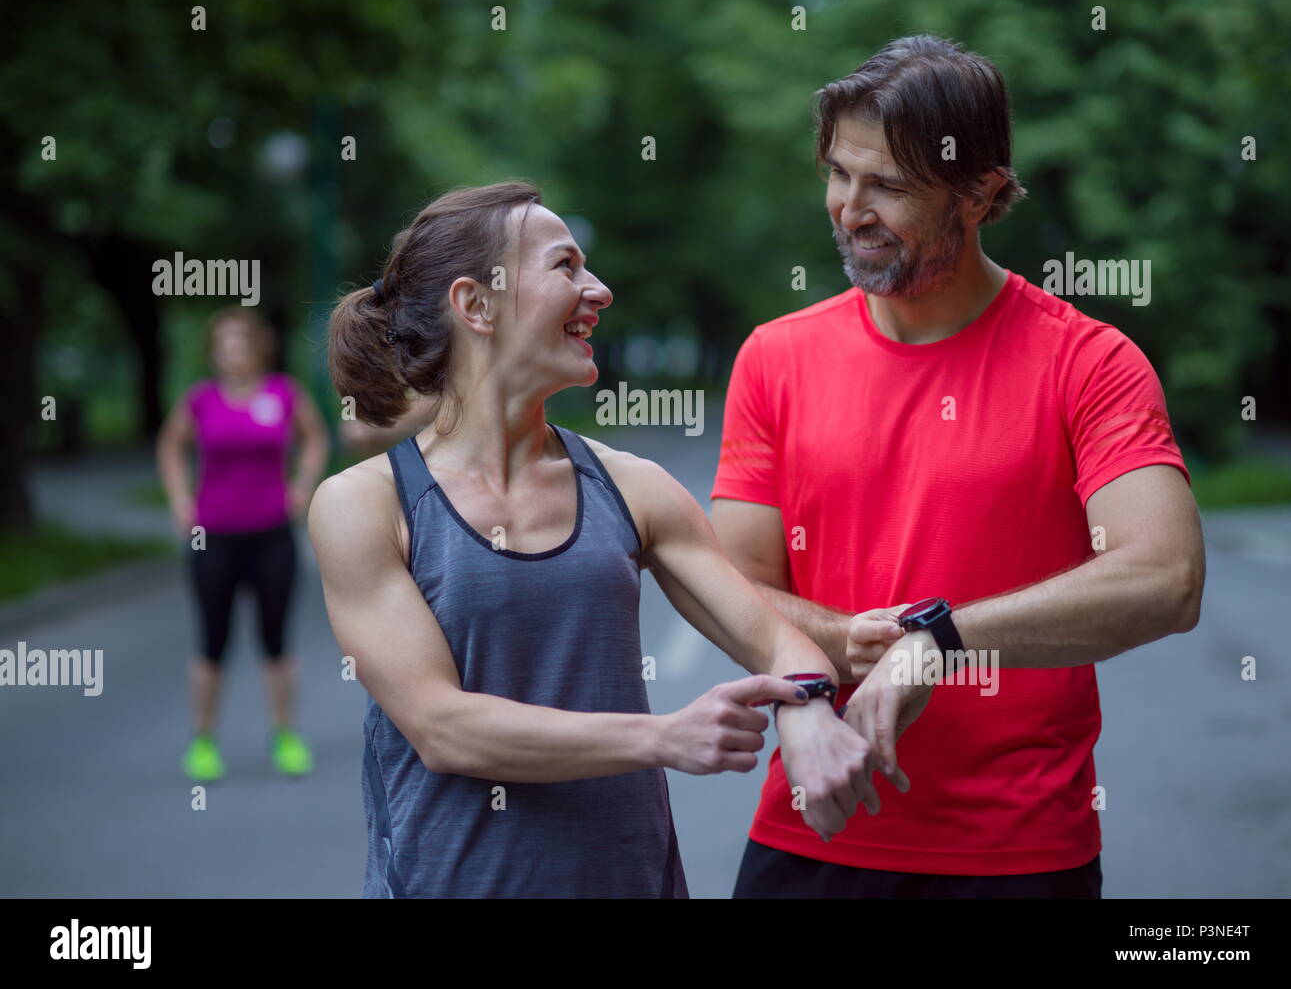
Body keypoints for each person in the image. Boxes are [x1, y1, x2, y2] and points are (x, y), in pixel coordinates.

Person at [308, 181, 915, 899]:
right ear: (476, 304)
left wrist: (808, 705)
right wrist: (661, 736)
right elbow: (445, 728)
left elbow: (773, 636)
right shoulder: (365, 504)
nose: (598, 290)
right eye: (564, 266)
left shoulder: (634, 485)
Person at [709, 34, 1206, 899]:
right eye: (838, 173)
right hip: (814, 829)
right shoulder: (773, 358)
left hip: (1017, 857)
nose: (848, 208)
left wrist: (939, 641)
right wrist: (827, 657)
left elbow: (1167, 578)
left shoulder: (1090, 361)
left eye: (889, 186)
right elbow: (729, 583)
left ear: (978, 194)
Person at [157, 307, 330, 782]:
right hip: (212, 536)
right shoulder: (201, 401)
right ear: (214, 351)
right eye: (225, 342)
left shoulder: (283, 393)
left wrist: (304, 484)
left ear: (258, 347)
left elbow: (315, 438)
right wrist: (179, 501)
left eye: (242, 341)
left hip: (272, 534)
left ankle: (286, 736)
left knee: (275, 640)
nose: (234, 350)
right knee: (213, 641)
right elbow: (171, 447)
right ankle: (203, 741)